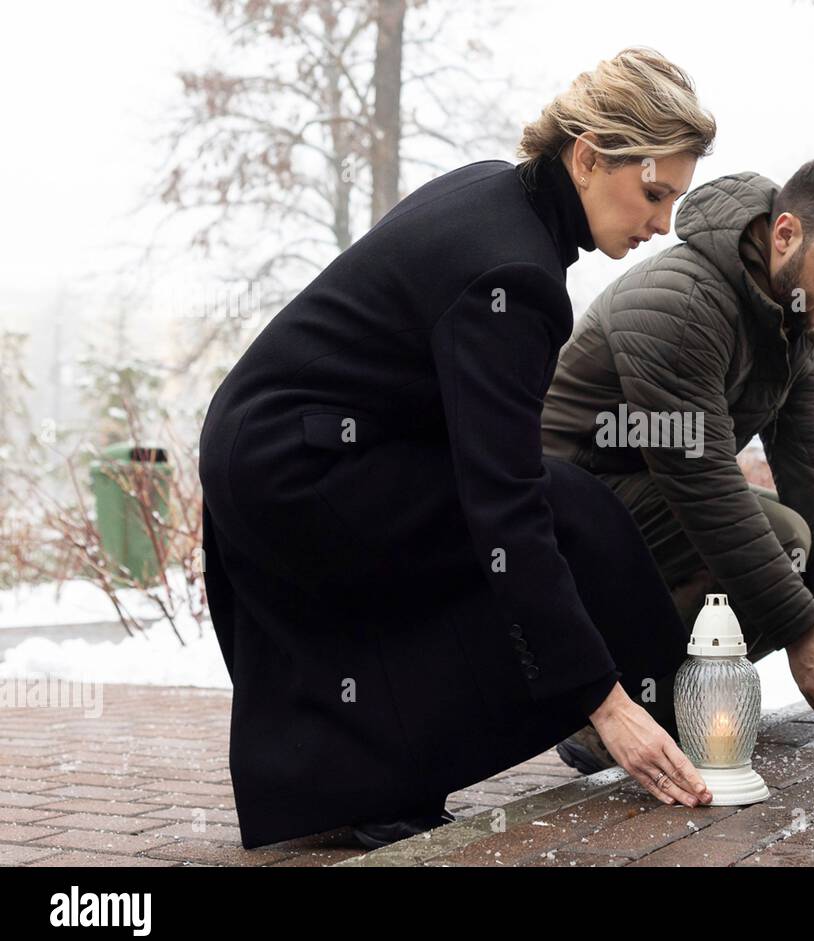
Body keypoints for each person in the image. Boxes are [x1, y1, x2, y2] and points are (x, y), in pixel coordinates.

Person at [198, 48, 717, 850]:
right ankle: (619, 717)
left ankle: (369, 780)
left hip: (270, 445)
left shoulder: (496, 195)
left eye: (675, 200)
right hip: (299, 468)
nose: (661, 224)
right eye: (653, 193)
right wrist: (606, 701)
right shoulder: (512, 275)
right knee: (564, 524)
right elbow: (506, 509)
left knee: (562, 515)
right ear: (587, 157)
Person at [542, 154, 814, 771]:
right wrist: (801, 635)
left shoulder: (797, 321)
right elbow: (703, 483)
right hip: (557, 503)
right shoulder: (682, 303)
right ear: (786, 233)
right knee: (783, 537)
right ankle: (611, 716)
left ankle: (661, 714)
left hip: (638, 498)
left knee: (796, 533)